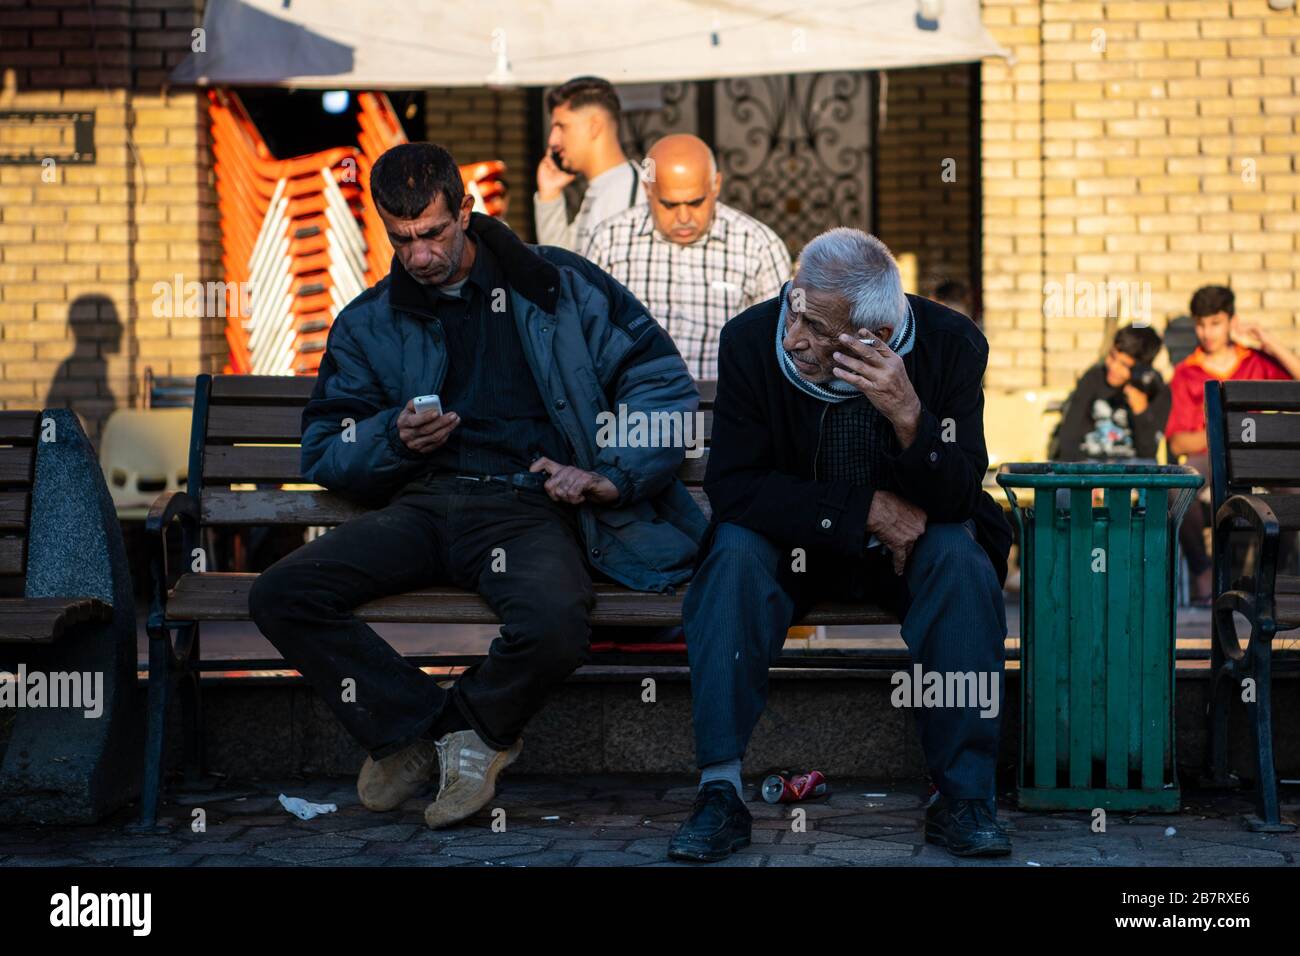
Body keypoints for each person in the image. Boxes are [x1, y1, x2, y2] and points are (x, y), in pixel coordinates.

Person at [249, 142, 705, 830]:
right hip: (424, 506)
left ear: (465, 209)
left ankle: (466, 732)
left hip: (530, 507)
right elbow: (324, 446)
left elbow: (658, 381)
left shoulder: (557, 283)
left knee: (554, 625)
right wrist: (391, 439)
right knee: (280, 594)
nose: (421, 256)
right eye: (402, 240)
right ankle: (418, 733)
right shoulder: (371, 320)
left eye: (432, 233)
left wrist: (610, 472)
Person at [669, 228, 1013, 862]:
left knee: (961, 561)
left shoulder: (951, 346)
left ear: (874, 338)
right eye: (794, 308)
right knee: (733, 558)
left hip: (909, 553)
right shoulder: (750, 340)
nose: (795, 335)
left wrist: (911, 416)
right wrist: (865, 512)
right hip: (792, 549)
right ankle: (718, 791)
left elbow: (961, 493)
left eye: (819, 328)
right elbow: (737, 488)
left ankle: (964, 798)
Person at [583, 133, 791, 379]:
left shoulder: (758, 246)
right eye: (669, 205)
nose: (683, 217)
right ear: (647, 189)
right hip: (636, 406)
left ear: (716, 186)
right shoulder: (609, 242)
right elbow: (588, 337)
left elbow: (781, 344)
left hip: (727, 408)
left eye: (695, 203)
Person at [1165, 285, 1300, 604]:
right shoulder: (1186, 372)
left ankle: (1274, 578)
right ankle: (1203, 573)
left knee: (1295, 492)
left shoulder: (1255, 360)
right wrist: (1228, 433)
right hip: (1207, 456)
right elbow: (1180, 439)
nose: (1207, 332)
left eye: (1215, 323)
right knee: (1177, 486)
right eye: (1200, 323)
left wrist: (1270, 342)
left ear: (1230, 321)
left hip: (1257, 456)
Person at [534, 76, 646, 253]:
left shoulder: (629, 194)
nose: (552, 141)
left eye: (561, 127)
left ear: (594, 126)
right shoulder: (602, 188)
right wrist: (550, 195)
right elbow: (562, 261)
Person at [1053, 325, 1170, 462]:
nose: (1113, 367)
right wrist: (1085, 477)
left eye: (1124, 365)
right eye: (1112, 356)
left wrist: (1141, 412)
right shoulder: (1093, 378)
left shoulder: (1155, 390)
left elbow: (1148, 452)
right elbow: (1069, 437)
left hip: (1132, 470)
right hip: (1089, 465)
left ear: (1141, 368)